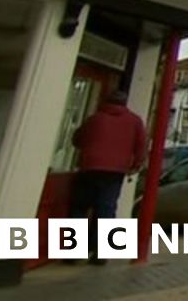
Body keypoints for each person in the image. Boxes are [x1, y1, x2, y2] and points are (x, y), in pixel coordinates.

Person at [70, 89, 146, 265]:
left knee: (80, 208)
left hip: (89, 167)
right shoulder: (135, 121)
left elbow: (77, 140)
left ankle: (74, 251)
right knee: (106, 209)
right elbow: (141, 147)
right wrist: (135, 166)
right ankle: (100, 252)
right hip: (115, 171)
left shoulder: (95, 118)